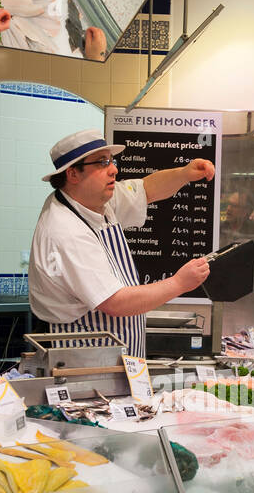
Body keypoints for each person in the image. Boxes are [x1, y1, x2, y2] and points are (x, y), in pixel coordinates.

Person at [27, 129, 214, 359]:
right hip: (84, 362)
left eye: (111, 161)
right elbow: (115, 302)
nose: (114, 169)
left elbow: (146, 190)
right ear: (73, 174)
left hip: (114, 356)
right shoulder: (64, 231)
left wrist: (184, 173)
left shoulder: (94, 202)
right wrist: (178, 283)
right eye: (102, 163)